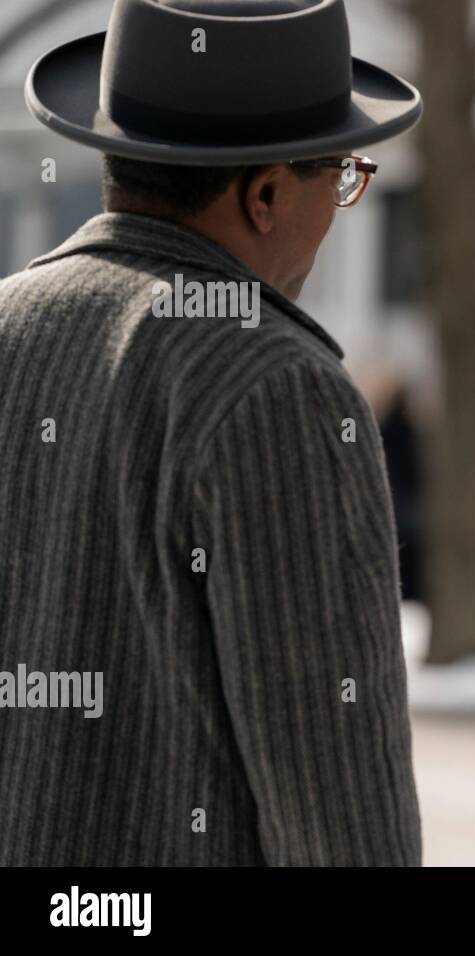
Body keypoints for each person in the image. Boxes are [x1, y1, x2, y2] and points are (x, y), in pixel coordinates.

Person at [0, 0, 424, 865]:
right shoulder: (278, 385)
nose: (341, 207)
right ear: (266, 193)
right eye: (341, 175)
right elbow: (335, 795)